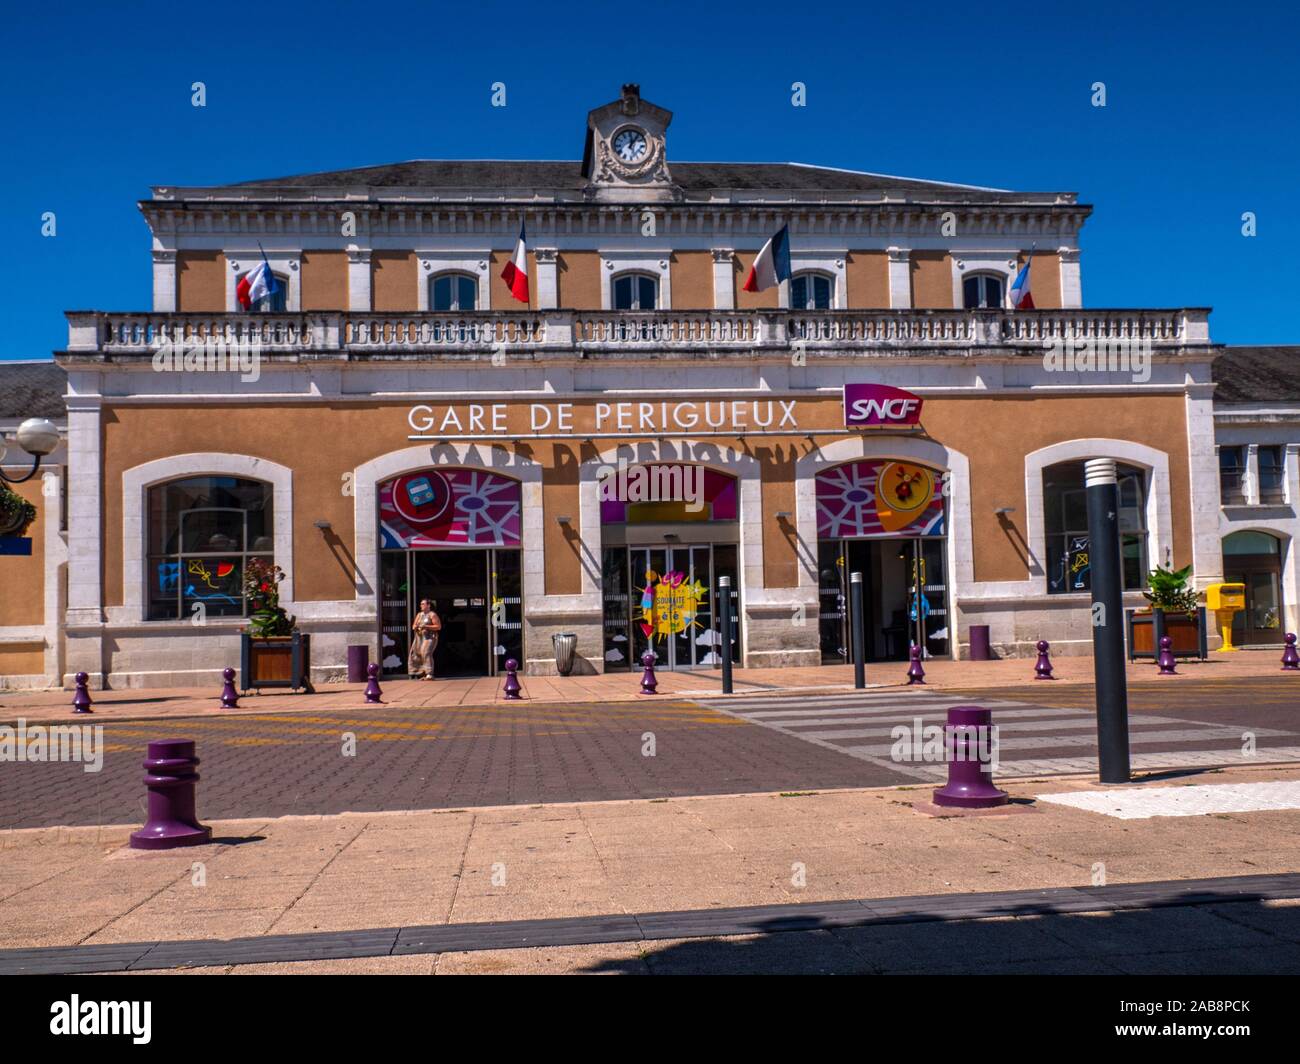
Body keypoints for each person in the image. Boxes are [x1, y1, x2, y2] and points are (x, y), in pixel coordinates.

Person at [408, 598, 442, 680]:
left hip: (430, 637)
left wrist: (426, 626)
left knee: (426, 653)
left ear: (428, 605)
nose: (421, 605)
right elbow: (413, 625)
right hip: (420, 638)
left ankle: (429, 673)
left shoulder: (432, 614)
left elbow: (438, 627)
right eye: (420, 604)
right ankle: (421, 672)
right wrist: (415, 627)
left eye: (423, 604)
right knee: (418, 654)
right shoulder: (419, 615)